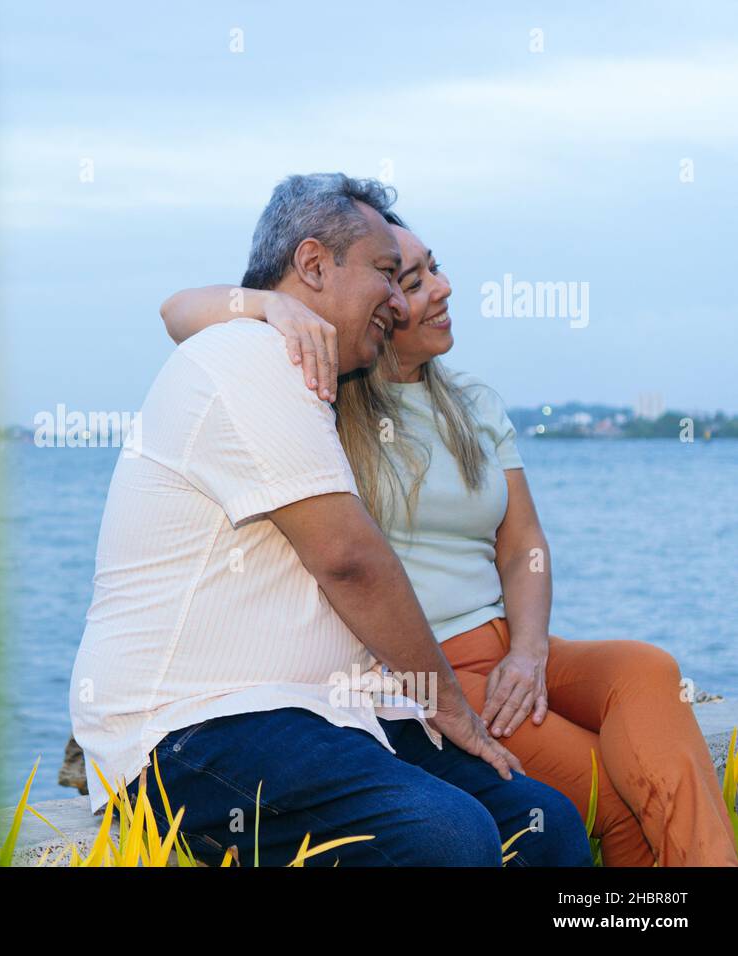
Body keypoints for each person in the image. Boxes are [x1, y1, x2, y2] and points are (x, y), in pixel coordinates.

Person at [159, 206, 738, 866]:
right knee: (610, 795)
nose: (441, 287)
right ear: (374, 307)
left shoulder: (473, 401)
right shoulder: (325, 395)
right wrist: (269, 307)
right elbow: (178, 312)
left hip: (511, 652)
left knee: (647, 667)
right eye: (408, 278)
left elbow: (524, 545)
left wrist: (526, 652)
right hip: (428, 671)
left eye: (435, 267)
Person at [68, 173, 591, 866]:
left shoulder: (320, 384)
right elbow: (350, 559)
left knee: (541, 823)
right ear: (313, 265)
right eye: (385, 273)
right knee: (445, 836)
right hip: (190, 730)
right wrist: (452, 709)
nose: (400, 300)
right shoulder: (244, 356)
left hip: (327, 713)